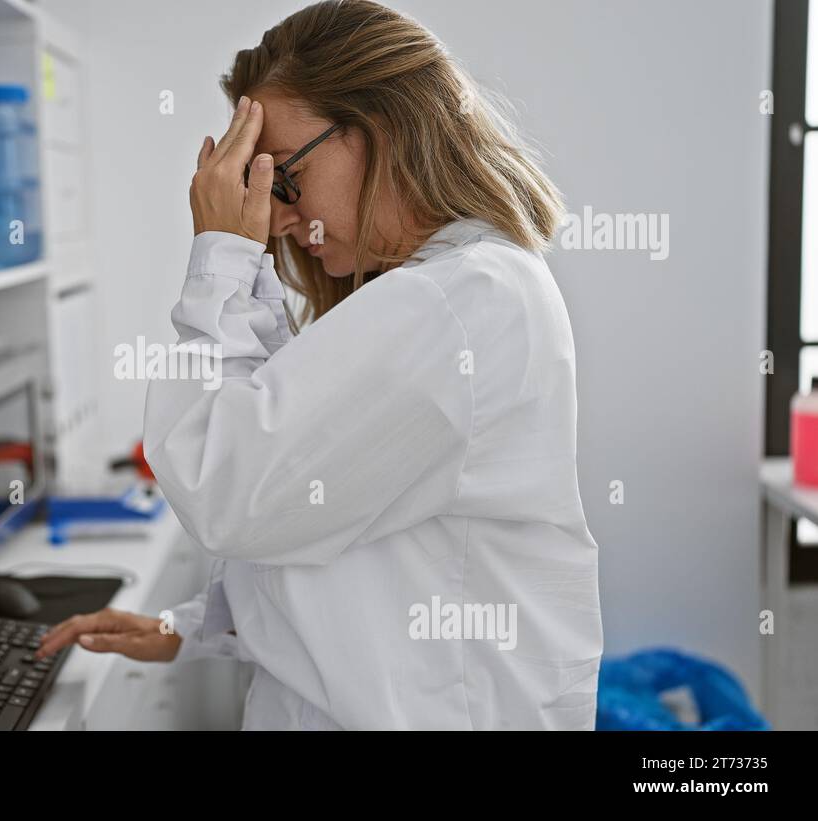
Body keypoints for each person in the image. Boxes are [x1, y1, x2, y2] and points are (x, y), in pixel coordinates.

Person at [36, 0, 603, 730]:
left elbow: (229, 492)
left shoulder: (455, 304)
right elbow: (336, 529)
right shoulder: (445, 293)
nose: (272, 219)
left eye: (284, 179)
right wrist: (196, 623)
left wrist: (219, 259)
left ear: (386, 130)